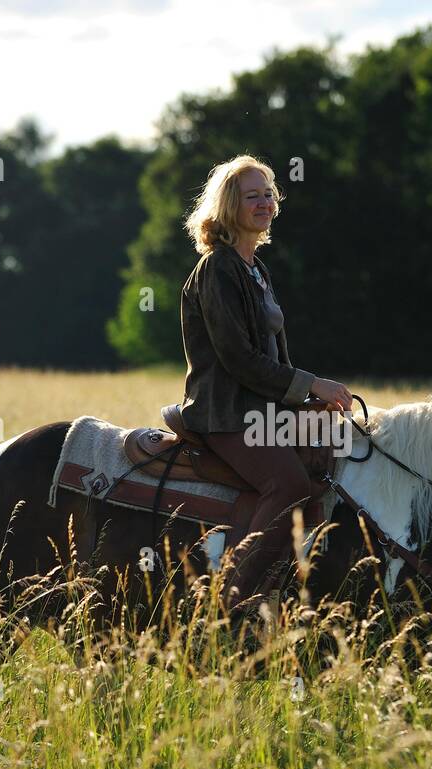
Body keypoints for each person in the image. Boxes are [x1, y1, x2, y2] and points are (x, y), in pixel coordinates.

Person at [179, 155, 352, 615]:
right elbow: (238, 359)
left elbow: (278, 356)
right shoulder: (218, 268)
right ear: (230, 205)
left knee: (339, 455)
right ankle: (230, 604)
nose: (264, 202)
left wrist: (306, 405)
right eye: (252, 195)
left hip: (263, 412)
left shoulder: (257, 269)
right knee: (290, 485)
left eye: (269, 194)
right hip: (226, 413)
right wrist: (312, 385)